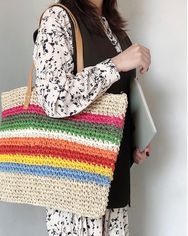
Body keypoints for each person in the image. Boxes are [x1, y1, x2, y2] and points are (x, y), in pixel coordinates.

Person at [32, 0, 152, 235]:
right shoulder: (58, 17)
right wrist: (115, 64)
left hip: (115, 184)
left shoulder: (115, 30)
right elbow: (53, 99)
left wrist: (134, 144)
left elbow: (118, 102)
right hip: (75, 186)